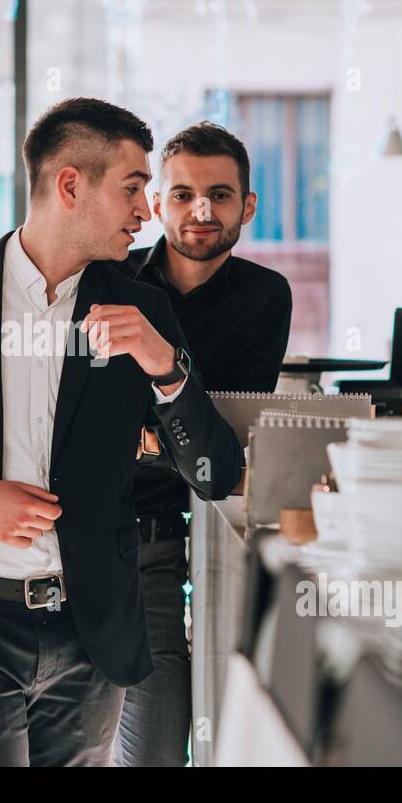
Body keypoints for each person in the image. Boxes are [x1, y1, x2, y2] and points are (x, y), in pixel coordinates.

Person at [0, 98, 245, 766]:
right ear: (69, 185)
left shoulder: (143, 311)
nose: (145, 212)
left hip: (90, 635)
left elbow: (213, 473)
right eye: (133, 188)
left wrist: (166, 370)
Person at [112, 121, 293, 766]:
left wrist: (147, 440)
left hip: (169, 536)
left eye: (220, 194)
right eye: (183, 194)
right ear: (156, 202)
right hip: (81, 529)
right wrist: (177, 438)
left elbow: (224, 448)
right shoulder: (110, 278)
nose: (201, 210)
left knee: (162, 749)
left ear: (248, 205)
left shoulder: (263, 297)